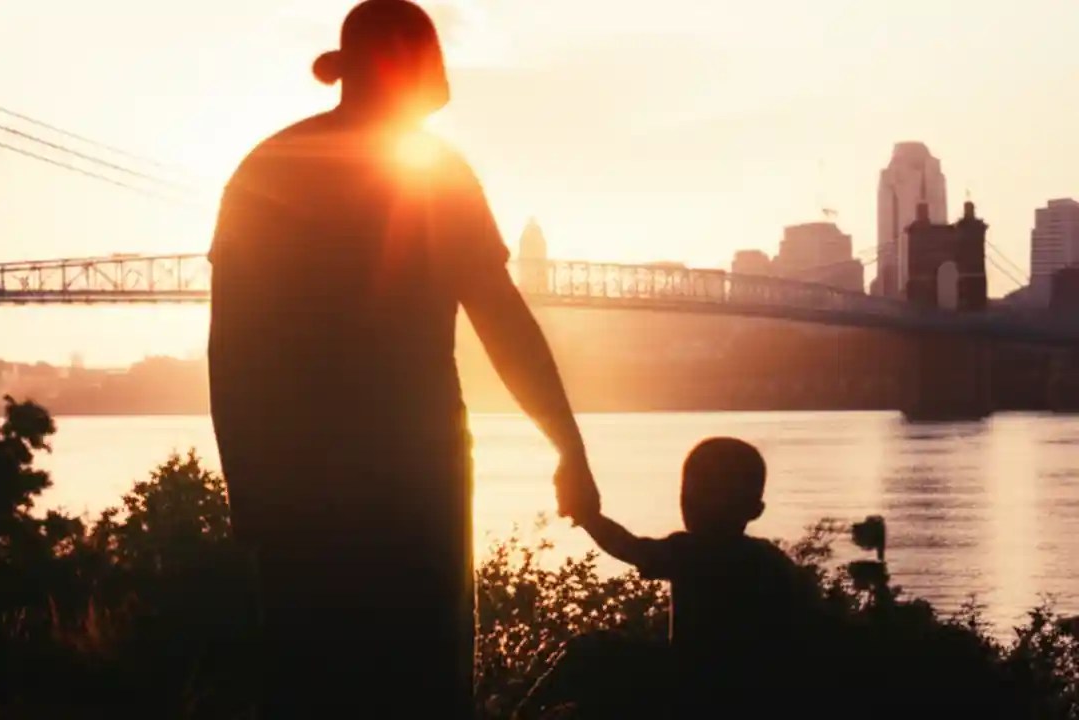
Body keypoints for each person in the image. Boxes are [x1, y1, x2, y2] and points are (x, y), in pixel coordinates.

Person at [206, 1, 598, 717]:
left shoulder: (265, 169)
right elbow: (503, 321)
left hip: (299, 482)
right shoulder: (436, 174)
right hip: (420, 472)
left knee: (311, 682)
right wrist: (568, 446)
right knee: (424, 679)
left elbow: (231, 350)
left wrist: (250, 493)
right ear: (418, 76)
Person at [544, 437, 816, 716]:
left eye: (708, 496)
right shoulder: (769, 560)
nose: (695, 506)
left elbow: (628, 547)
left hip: (690, 688)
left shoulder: (692, 551)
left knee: (588, 650)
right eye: (692, 495)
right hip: (748, 693)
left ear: (754, 510)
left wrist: (589, 518)